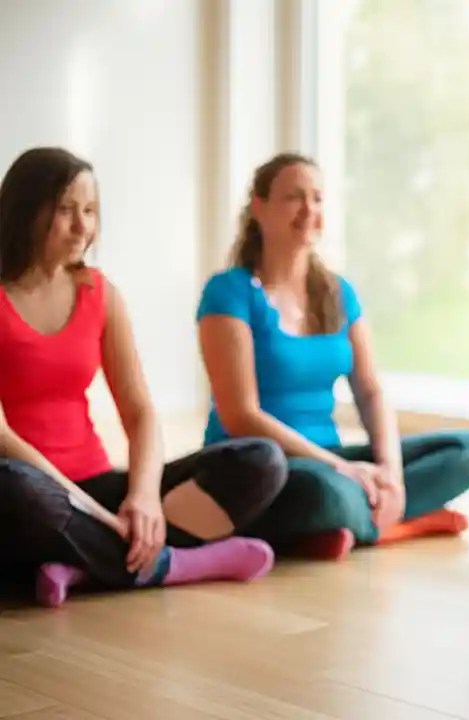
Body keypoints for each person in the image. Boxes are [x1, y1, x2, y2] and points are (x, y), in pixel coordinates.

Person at [0, 148, 287, 608]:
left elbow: (139, 411)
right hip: (36, 494)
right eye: (65, 210)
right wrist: (89, 511)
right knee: (13, 486)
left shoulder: (100, 293)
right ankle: (174, 565)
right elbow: (2, 436)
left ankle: (88, 564)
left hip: (96, 482)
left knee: (262, 461)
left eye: (90, 211)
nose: (82, 227)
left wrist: (144, 497)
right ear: (25, 210)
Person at [195, 153, 469, 561]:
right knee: (322, 493)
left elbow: (370, 392)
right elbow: (240, 415)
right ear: (259, 208)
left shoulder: (338, 294)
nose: (309, 210)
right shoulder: (228, 292)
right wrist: (342, 469)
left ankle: (357, 521)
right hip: (262, 466)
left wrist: (390, 473)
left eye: (317, 199)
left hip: (332, 460)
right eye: (294, 198)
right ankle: (390, 522)